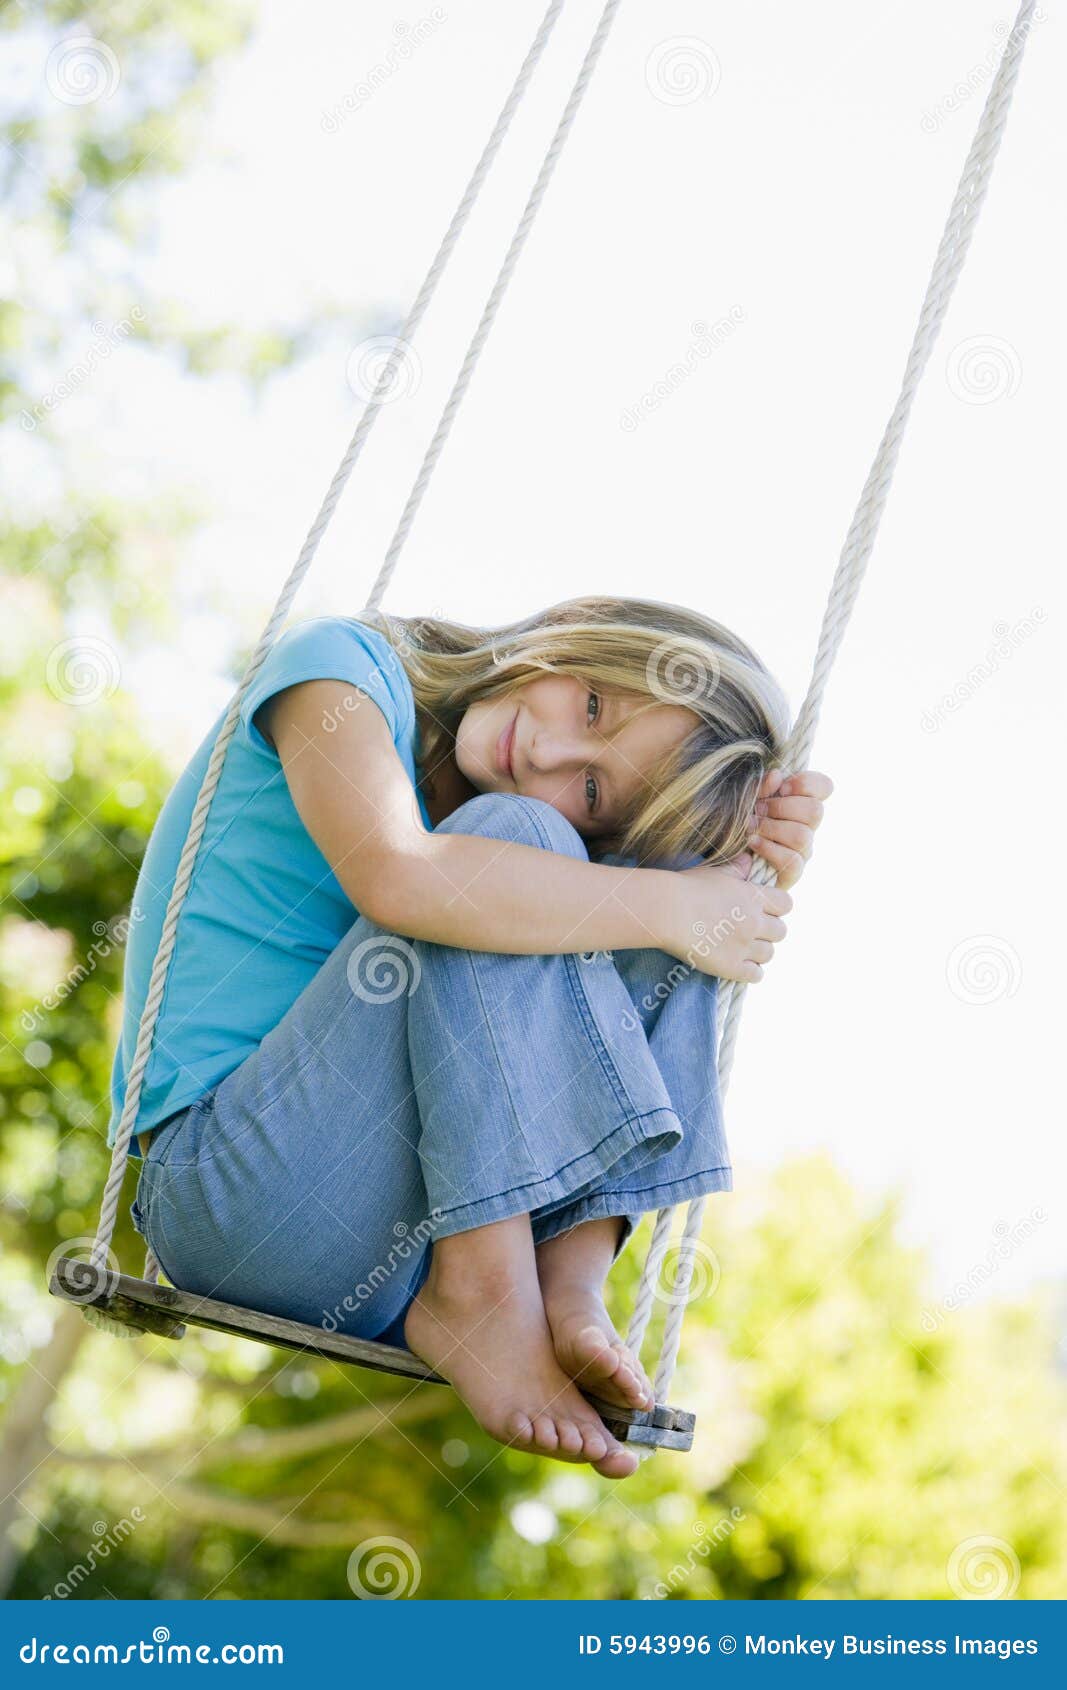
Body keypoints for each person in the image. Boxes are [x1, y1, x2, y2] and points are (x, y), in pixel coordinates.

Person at [119, 597, 831, 1479]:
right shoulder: (337, 669)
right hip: (236, 1197)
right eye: (593, 708)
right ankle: (485, 1292)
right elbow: (396, 873)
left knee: (673, 875)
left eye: (594, 789)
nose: (549, 752)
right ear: (578, 635)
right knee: (528, 847)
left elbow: (649, 896)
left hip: (391, 1262)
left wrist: (724, 875)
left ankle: (564, 1281)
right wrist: (675, 907)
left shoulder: (548, 819)